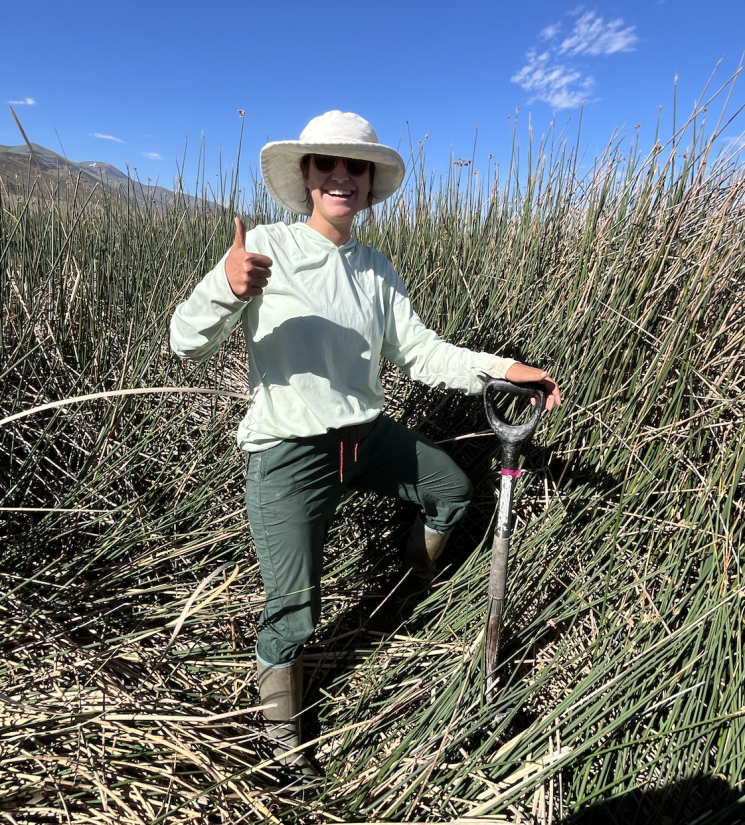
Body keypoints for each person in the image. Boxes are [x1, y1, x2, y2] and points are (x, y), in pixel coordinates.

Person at [170, 110, 561, 776]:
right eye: (327, 163)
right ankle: (282, 743)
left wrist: (502, 368)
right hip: (288, 454)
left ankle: (412, 582)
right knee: (294, 614)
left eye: (356, 166)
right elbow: (183, 341)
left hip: (364, 437)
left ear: (370, 181)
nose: (341, 176)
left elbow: (419, 353)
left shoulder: (376, 268)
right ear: (307, 175)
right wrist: (227, 292)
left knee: (449, 489)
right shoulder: (264, 247)